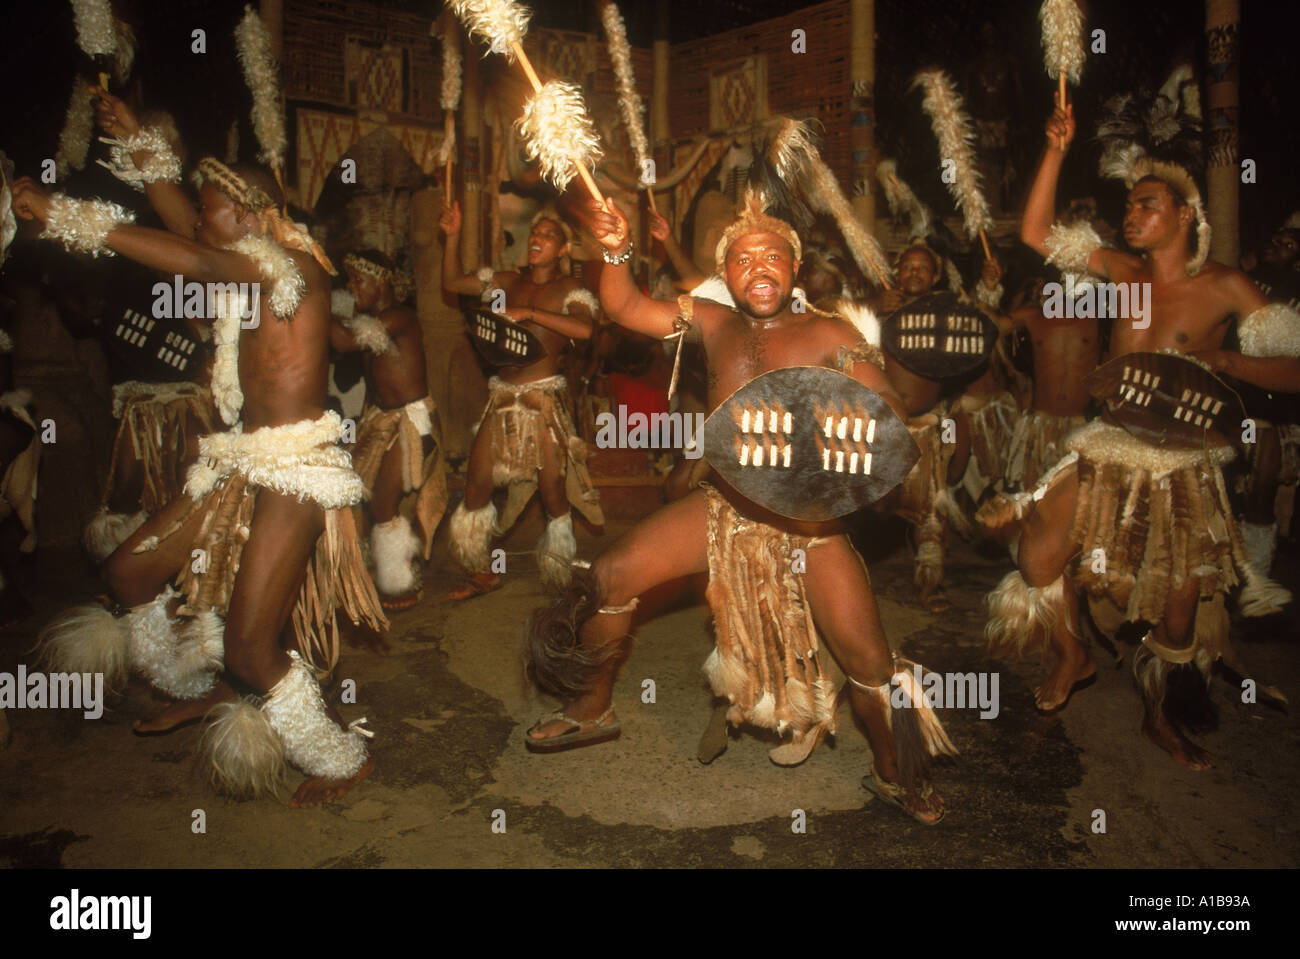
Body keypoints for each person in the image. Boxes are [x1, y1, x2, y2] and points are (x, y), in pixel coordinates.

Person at [524, 192, 957, 824]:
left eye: (773, 257)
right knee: (609, 576)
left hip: (812, 531)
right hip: (725, 512)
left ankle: (897, 773)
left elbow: (886, 407)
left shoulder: (832, 332)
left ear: (795, 270)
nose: (759, 267)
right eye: (743, 258)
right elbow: (621, 305)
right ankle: (591, 710)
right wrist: (616, 247)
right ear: (726, 274)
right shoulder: (710, 321)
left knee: (871, 666)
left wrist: (866, 415)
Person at [17, 157, 386, 805]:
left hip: (297, 471)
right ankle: (202, 683)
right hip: (240, 458)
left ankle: (338, 753)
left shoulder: (287, 265)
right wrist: (146, 148)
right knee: (127, 572)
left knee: (250, 649)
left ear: (245, 214)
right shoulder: (250, 257)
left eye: (207, 206)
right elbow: (184, 230)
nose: (195, 217)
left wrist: (65, 216)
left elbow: (195, 259)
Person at [987, 102, 1299, 767]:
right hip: (1109, 440)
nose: (1131, 215)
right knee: (1038, 559)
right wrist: (1054, 149)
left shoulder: (1223, 286)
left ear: (1185, 216)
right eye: (1129, 205)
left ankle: (1160, 713)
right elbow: (1038, 231)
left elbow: (1295, 365)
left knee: (1178, 612)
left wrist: (1227, 362)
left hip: (1183, 462)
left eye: (1147, 205)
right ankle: (1073, 652)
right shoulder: (1122, 278)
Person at [439, 203, 603, 599]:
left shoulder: (570, 290)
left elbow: (583, 330)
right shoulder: (507, 280)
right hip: (501, 398)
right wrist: (453, 236)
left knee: (552, 494)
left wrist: (530, 312)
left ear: (563, 249)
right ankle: (483, 569)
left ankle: (559, 569)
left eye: (548, 235)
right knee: (476, 484)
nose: (537, 239)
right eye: (535, 234)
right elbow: (452, 283)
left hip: (541, 399)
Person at [331, 250, 447, 610]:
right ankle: (379, 568)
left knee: (383, 505)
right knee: (364, 497)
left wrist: (314, 300)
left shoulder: (399, 317)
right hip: (381, 419)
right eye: (347, 281)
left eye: (357, 280)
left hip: (413, 420)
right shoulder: (369, 319)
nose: (351, 288)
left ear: (381, 280)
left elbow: (344, 341)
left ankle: (400, 581)